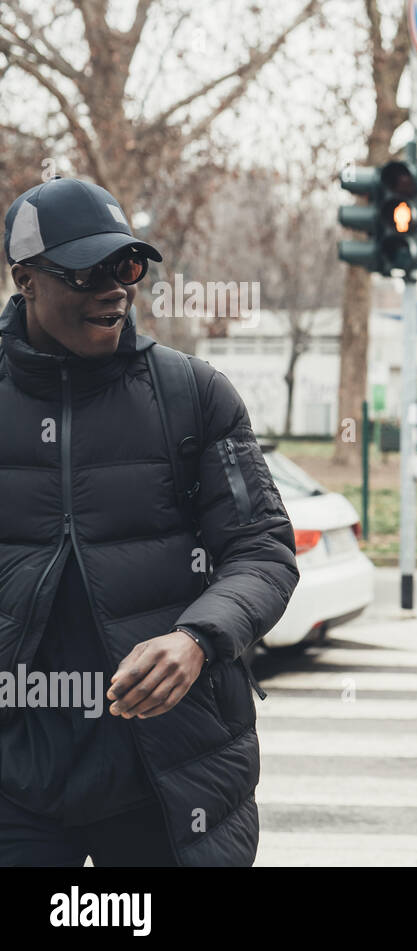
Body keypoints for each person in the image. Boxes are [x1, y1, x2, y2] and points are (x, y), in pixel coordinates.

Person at [0, 177, 299, 865]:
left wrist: (197, 638)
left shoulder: (193, 395)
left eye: (126, 266)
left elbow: (263, 552)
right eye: (88, 271)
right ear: (26, 281)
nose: (115, 289)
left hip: (168, 775)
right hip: (18, 785)